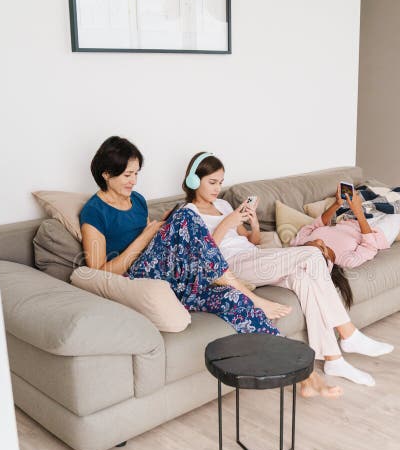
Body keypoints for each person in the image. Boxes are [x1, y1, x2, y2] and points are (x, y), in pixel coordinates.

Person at [182, 152, 395, 391]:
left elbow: (252, 241)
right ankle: (348, 333)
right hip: (231, 266)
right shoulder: (187, 213)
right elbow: (204, 254)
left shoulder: (222, 204)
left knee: (306, 276)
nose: (217, 189)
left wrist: (251, 224)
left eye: (220, 182)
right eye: (212, 182)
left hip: (254, 256)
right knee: (313, 255)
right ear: (193, 180)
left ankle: (334, 360)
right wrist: (227, 222)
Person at [79, 136, 289, 338]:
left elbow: (154, 248)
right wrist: (147, 235)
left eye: (136, 174)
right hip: (136, 277)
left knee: (231, 297)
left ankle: (286, 359)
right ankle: (254, 297)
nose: (133, 181)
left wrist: (164, 228)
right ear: (106, 174)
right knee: (187, 214)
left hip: (169, 273)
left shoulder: (137, 200)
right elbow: (99, 272)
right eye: (127, 175)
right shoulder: (94, 211)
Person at [291, 167, 400, 270]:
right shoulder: (346, 260)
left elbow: (318, 223)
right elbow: (370, 246)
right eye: (321, 247)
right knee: (398, 210)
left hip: (351, 220)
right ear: (325, 259)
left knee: (382, 202)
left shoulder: (299, 242)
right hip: (378, 235)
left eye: (314, 242)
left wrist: (337, 204)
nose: (319, 240)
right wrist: (359, 213)